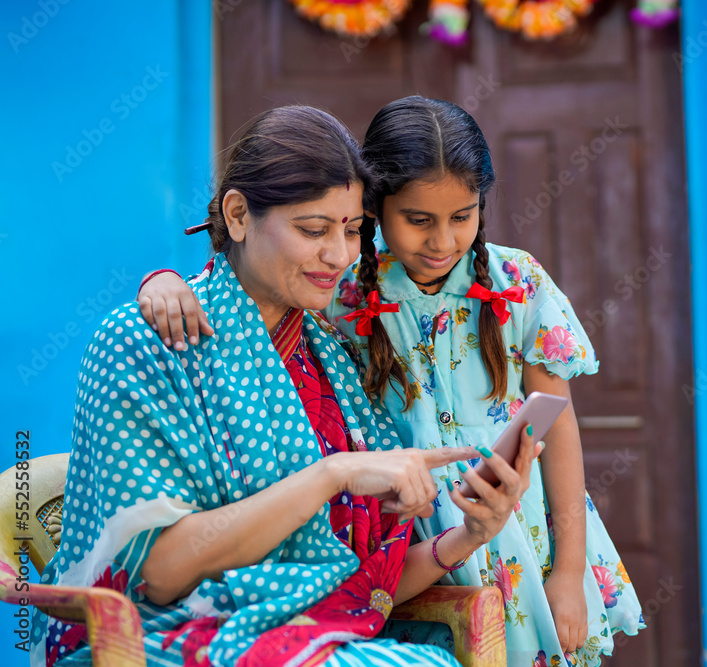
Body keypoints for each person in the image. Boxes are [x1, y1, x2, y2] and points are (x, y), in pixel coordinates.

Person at [138, 97, 644, 667]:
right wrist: (161, 280)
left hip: (523, 533)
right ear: (377, 209)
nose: (444, 242)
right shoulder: (342, 291)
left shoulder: (518, 283)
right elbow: (248, 294)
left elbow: (558, 425)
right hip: (413, 535)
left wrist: (570, 568)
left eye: (463, 217)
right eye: (419, 220)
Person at [32, 105, 541, 667]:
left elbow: (356, 590)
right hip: (155, 640)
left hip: (308, 639)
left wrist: (469, 533)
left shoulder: (332, 364)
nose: (339, 255)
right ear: (238, 215)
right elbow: (159, 571)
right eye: (313, 229)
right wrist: (333, 474)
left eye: (352, 230)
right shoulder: (141, 344)